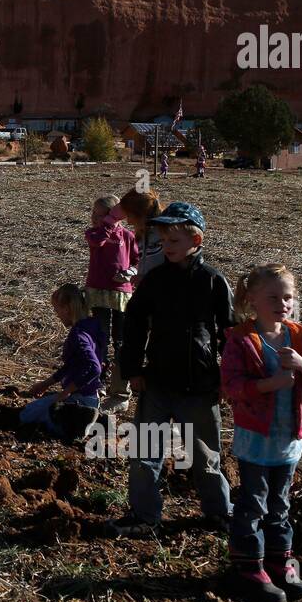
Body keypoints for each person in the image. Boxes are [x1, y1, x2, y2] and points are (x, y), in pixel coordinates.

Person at [107, 202, 234, 538]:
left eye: (174, 240)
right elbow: (133, 325)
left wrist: (229, 379)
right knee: (144, 453)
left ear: (196, 240)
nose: (167, 247)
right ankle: (144, 515)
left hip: (201, 385)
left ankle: (219, 513)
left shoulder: (213, 282)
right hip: (157, 382)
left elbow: (229, 334)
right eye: (163, 240)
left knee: (205, 456)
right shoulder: (154, 281)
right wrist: (133, 368)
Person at [222, 264, 302, 602]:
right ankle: (248, 566)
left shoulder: (301, 338)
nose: (282, 303)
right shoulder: (241, 340)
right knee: (253, 503)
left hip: (288, 442)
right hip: (255, 442)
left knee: (280, 504)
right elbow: (231, 387)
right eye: (273, 297)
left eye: (287, 297)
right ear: (252, 299)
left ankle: (278, 562)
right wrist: (268, 385)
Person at [20, 284, 105, 442]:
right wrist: (46, 384)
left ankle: (73, 420)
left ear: (66, 308)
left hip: (79, 396)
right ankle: (93, 419)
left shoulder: (78, 334)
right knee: (39, 408)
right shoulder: (93, 325)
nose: (57, 315)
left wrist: (66, 391)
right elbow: (73, 365)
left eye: (56, 309)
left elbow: (94, 367)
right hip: (92, 396)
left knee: (27, 415)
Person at [85, 195, 139, 413]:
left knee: (120, 341)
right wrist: (107, 224)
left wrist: (130, 272)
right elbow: (96, 241)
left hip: (121, 295)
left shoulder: (127, 236)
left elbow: (137, 260)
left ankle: (120, 391)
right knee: (99, 338)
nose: (97, 218)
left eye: (103, 214)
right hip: (98, 293)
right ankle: (97, 383)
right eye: (94, 214)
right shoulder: (95, 233)